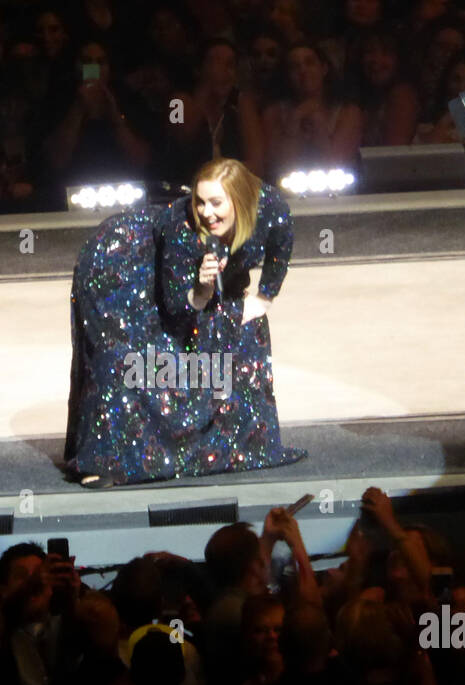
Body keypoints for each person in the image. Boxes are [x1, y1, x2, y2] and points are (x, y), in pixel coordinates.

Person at [64, 156, 305, 487]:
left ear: (240, 199)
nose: (207, 212)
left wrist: (264, 297)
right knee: (128, 359)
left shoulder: (269, 206)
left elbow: (282, 241)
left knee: (241, 328)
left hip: (181, 283)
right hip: (131, 267)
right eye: (200, 202)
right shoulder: (182, 227)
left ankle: (231, 447)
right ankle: (108, 459)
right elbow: (178, 308)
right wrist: (203, 287)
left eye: (216, 203)